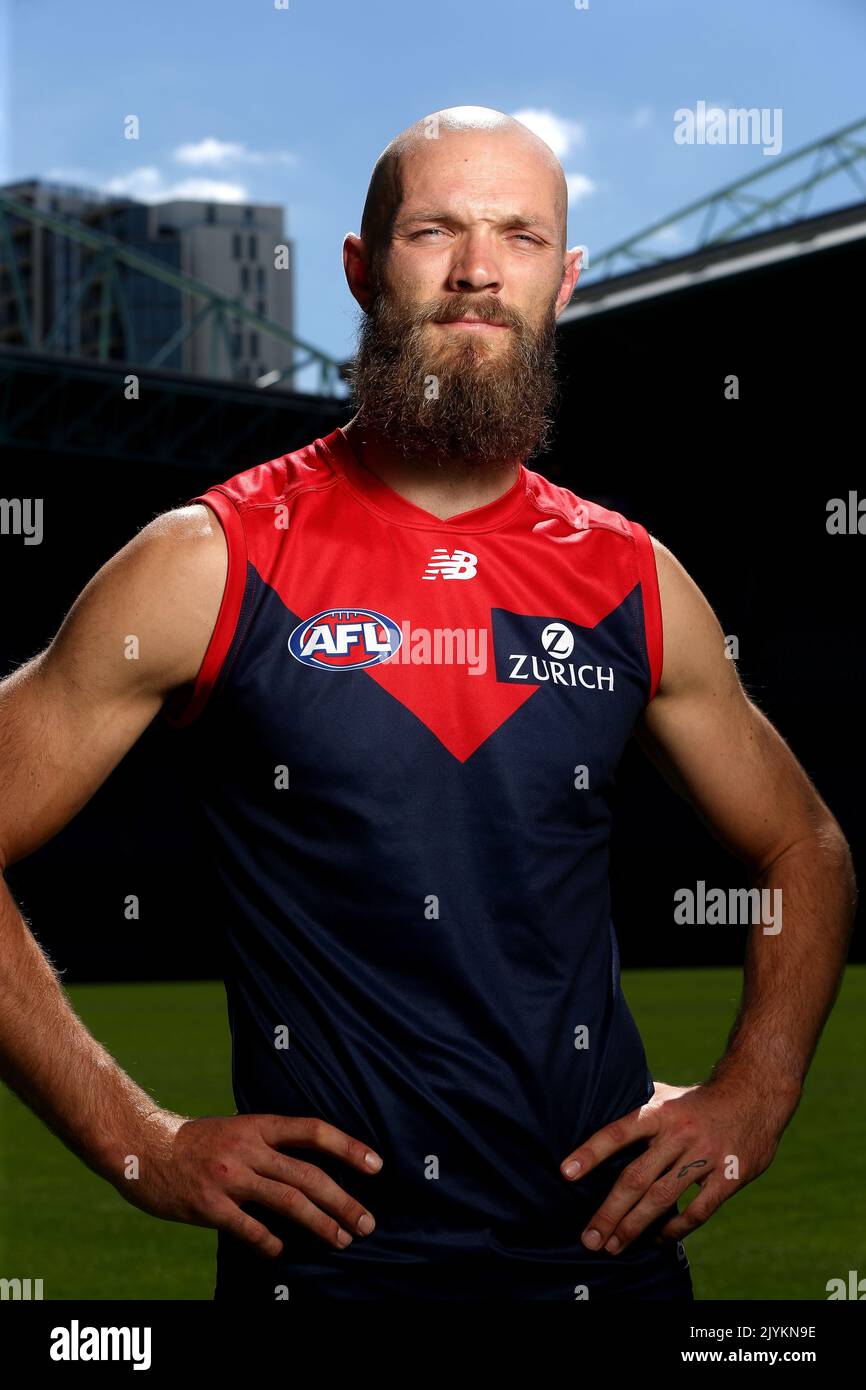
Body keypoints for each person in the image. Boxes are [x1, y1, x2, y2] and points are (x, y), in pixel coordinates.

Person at [0, 107, 854, 1301]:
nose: (474, 270)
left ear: (563, 280)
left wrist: (754, 1089)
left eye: (516, 235)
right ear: (359, 269)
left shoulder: (629, 575)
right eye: (431, 230)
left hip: (605, 1266)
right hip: (329, 1278)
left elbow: (801, 842)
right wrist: (141, 1139)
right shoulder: (210, 559)